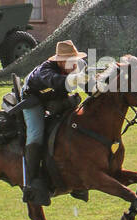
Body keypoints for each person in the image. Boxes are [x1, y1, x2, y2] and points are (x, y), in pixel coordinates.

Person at [19, 40, 87, 205]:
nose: (74, 64)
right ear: (61, 61)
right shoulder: (46, 70)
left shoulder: (75, 66)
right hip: (33, 100)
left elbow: (87, 85)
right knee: (36, 134)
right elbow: (57, 82)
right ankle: (31, 182)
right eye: (71, 61)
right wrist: (78, 78)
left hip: (55, 98)